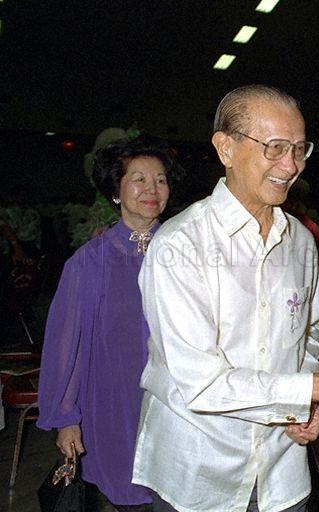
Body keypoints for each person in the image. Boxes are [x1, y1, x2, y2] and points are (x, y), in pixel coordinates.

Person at [132, 85, 319, 512]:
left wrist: (304, 404)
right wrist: (316, 388)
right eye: (275, 147)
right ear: (225, 147)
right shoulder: (180, 244)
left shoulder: (299, 240)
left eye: (299, 149)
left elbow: (309, 335)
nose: (291, 165)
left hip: (281, 468)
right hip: (201, 467)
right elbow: (200, 383)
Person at [37, 135, 184, 511]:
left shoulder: (188, 252)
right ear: (115, 191)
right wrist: (67, 419)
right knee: (131, 497)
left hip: (180, 405)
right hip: (116, 405)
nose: (152, 189)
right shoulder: (90, 262)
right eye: (139, 178)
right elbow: (65, 346)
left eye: (160, 179)